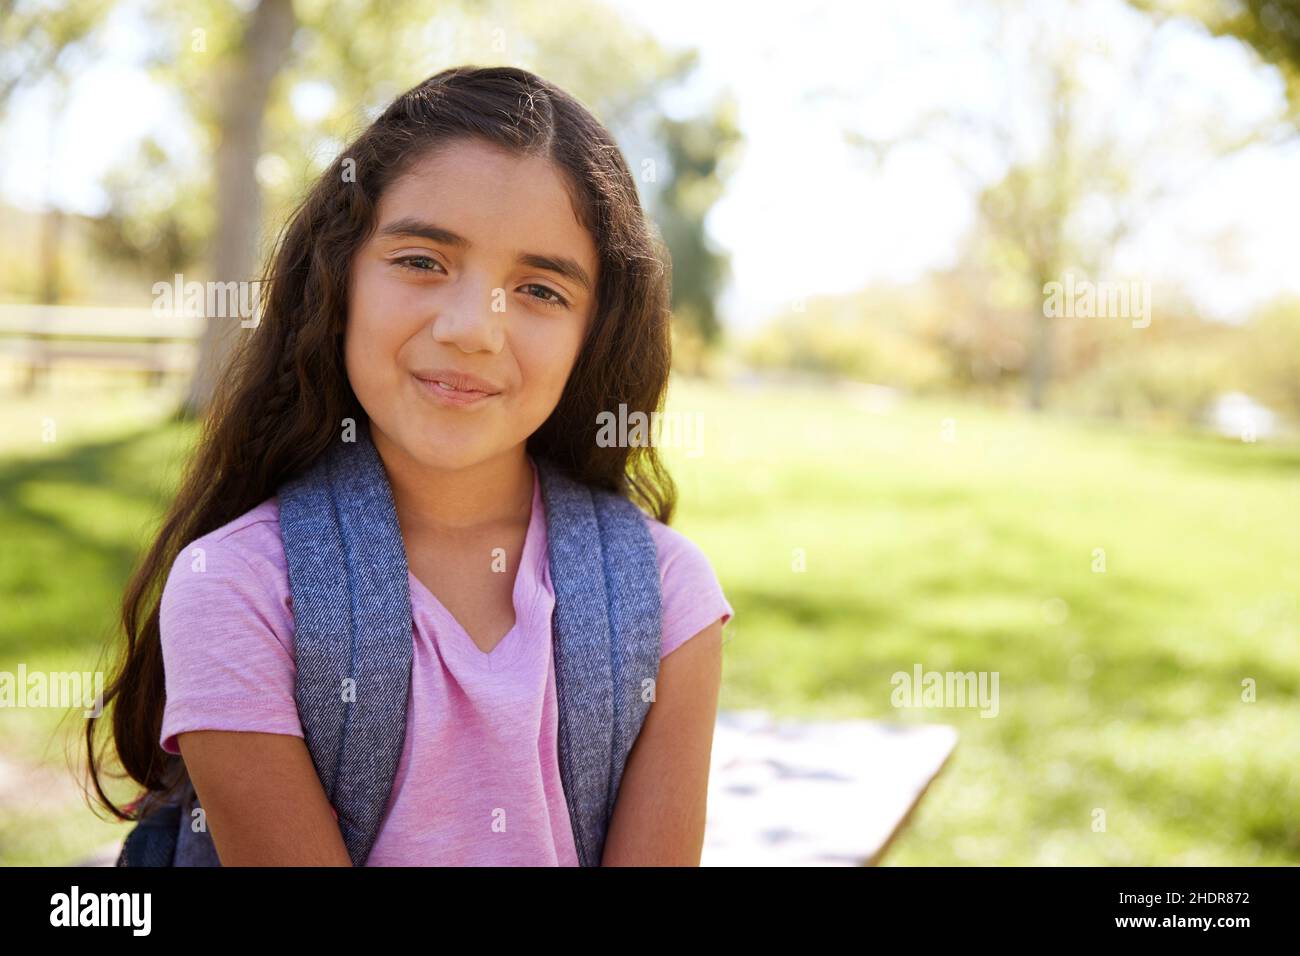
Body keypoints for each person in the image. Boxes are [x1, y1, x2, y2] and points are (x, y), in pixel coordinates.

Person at [86, 65, 733, 866]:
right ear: (339, 279)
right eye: (423, 261)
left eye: (539, 289)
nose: (472, 328)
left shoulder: (670, 597)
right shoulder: (236, 587)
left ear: (594, 334)